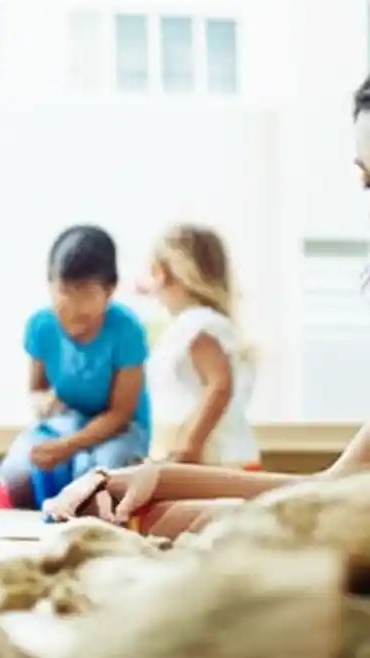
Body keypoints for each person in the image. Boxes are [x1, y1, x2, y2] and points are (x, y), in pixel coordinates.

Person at [39, 72, 370, 536]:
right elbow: (334, 487)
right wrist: (151, 479)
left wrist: (185, 483)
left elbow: (220, 391)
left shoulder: (200, 329)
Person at [0, 225, 151, 509]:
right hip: (64, 424)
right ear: (49, 285)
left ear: (110, 291)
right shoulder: (41, 325)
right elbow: (37, 390)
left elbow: (121, 413)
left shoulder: (127, 329)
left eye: (87, 294)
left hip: (119, 429)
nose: (73, 306)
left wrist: (69, 446)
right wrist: (44, 403)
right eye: (64, 291)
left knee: (100, 474)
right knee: (16, 474)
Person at [141, 223, 260, 468]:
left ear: (162, 272)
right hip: (218, 460)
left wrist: (188, 448)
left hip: (213, 464)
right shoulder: (205, 324)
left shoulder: (197, 325)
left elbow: (218, 386)